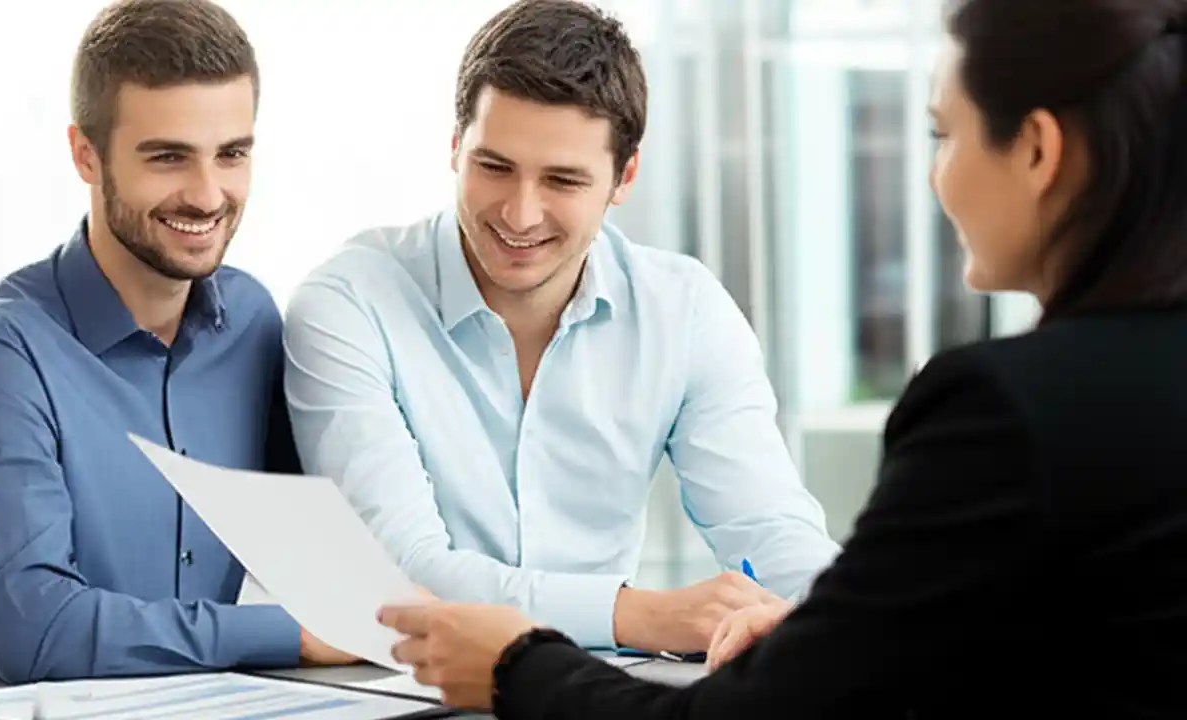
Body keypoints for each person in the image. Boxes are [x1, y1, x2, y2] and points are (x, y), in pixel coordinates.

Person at [378, 0, 1187, 716]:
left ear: (1038, 152)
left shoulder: (1009, 409)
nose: (937, 175)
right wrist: (831, 625)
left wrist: (522, 665)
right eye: (495, 166)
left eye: (945, 133)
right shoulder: (361, 293)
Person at [284, 0, 839, 655]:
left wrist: (843, 615)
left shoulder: (682, 311)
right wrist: (637, 617)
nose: (520, 213)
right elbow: (404, 575)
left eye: (563, 180)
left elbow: (770, 526)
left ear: (623, 176)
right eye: (494, 167)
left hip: (587, 694)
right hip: (399, 691)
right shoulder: (351, 302)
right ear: (455, 147)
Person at [0, 0, 352, 689]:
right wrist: (288, 635)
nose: (208, 195)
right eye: (169, 157)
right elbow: (41, 634)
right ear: (86, 154)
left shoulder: (253, 319)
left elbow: (324, 537)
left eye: (231, 154)